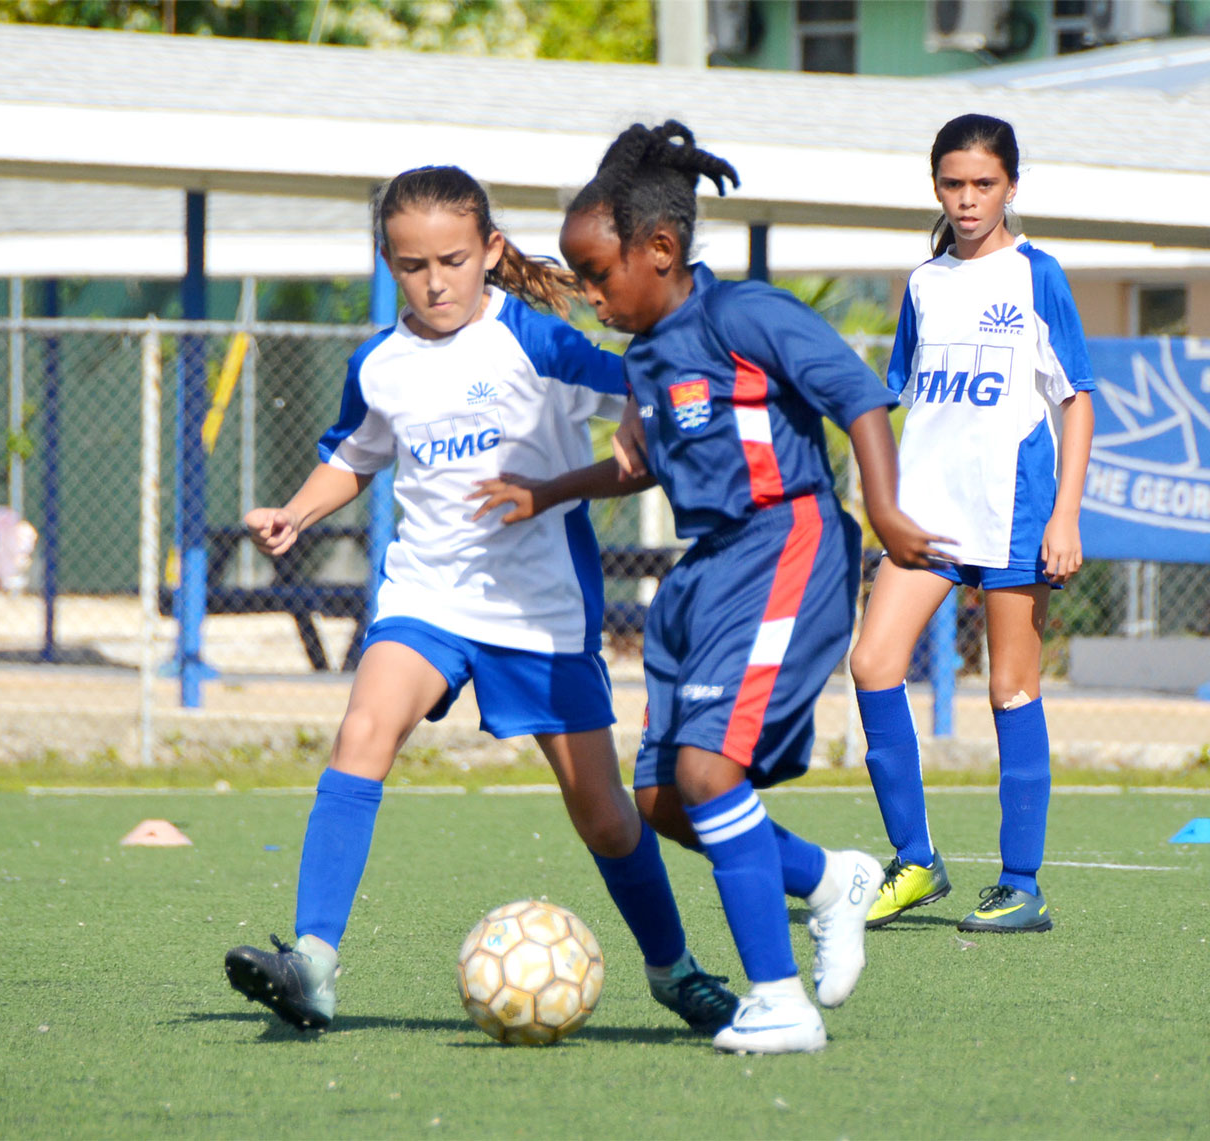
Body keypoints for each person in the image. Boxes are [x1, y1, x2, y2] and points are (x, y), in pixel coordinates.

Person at [224, 165, 737, 1036]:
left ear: (491, 251)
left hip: (539, 611)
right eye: (411, 264)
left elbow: (638, 384)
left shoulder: (533, 342)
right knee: (363, 731)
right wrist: (296, 511)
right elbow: (353, 453)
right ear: (389, 263)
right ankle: (311, 961)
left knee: (606, 816)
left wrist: (671, 405)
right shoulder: (380, 363)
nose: (434, 282)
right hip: (427, 595)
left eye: (453, 260)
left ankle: (672, 969)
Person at [471, 121, 947, 1054]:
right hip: (704, 573)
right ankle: (827, 879)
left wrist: (886, 510)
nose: (593, 295)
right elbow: (641, 464)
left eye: (600, 274)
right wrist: (548, 489)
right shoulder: (649, 355)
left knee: (708, 771)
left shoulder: (746, 318)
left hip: (786, 543)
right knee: (663, 802)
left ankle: (779, 1000)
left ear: (661, 248)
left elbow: (858, 395)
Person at [850, 113, 1095, 935]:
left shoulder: (1038, 274)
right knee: (873, 662)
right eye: (952, 183)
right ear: (936, 187)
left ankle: (1021, 883)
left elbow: (1077, 398)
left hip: (1015, 509)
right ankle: (916, 862)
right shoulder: (923, 283)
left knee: (1010, 688)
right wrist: (882, 502)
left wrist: (1065, 513)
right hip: (926, 515)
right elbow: (904, 400)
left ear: (1011, 187)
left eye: (983, 183)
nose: (966, 198)